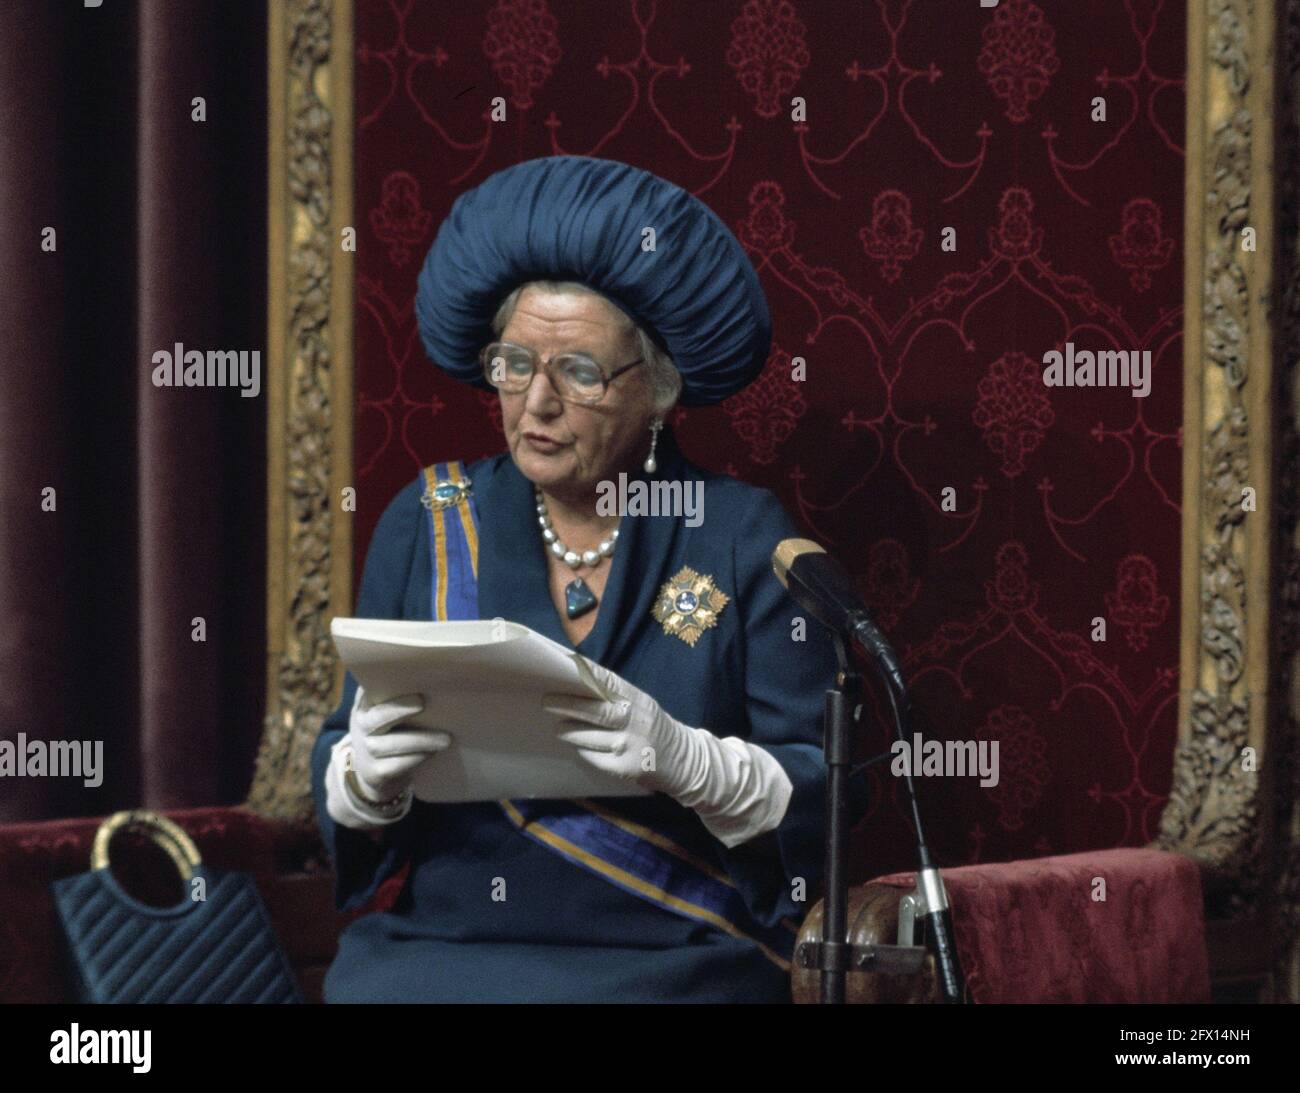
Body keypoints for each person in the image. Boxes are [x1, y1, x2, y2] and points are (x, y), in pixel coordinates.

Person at [311, 155, 869, 1002]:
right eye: (514, 363)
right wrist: (361, 779)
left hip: (671, 953)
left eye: (578, 371)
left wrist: (697, 765)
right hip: (447, 946)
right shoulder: (429, 519)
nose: (535, 403)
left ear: (661, 388)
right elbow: (344, 748)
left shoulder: (738, 537)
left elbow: (833, 789)